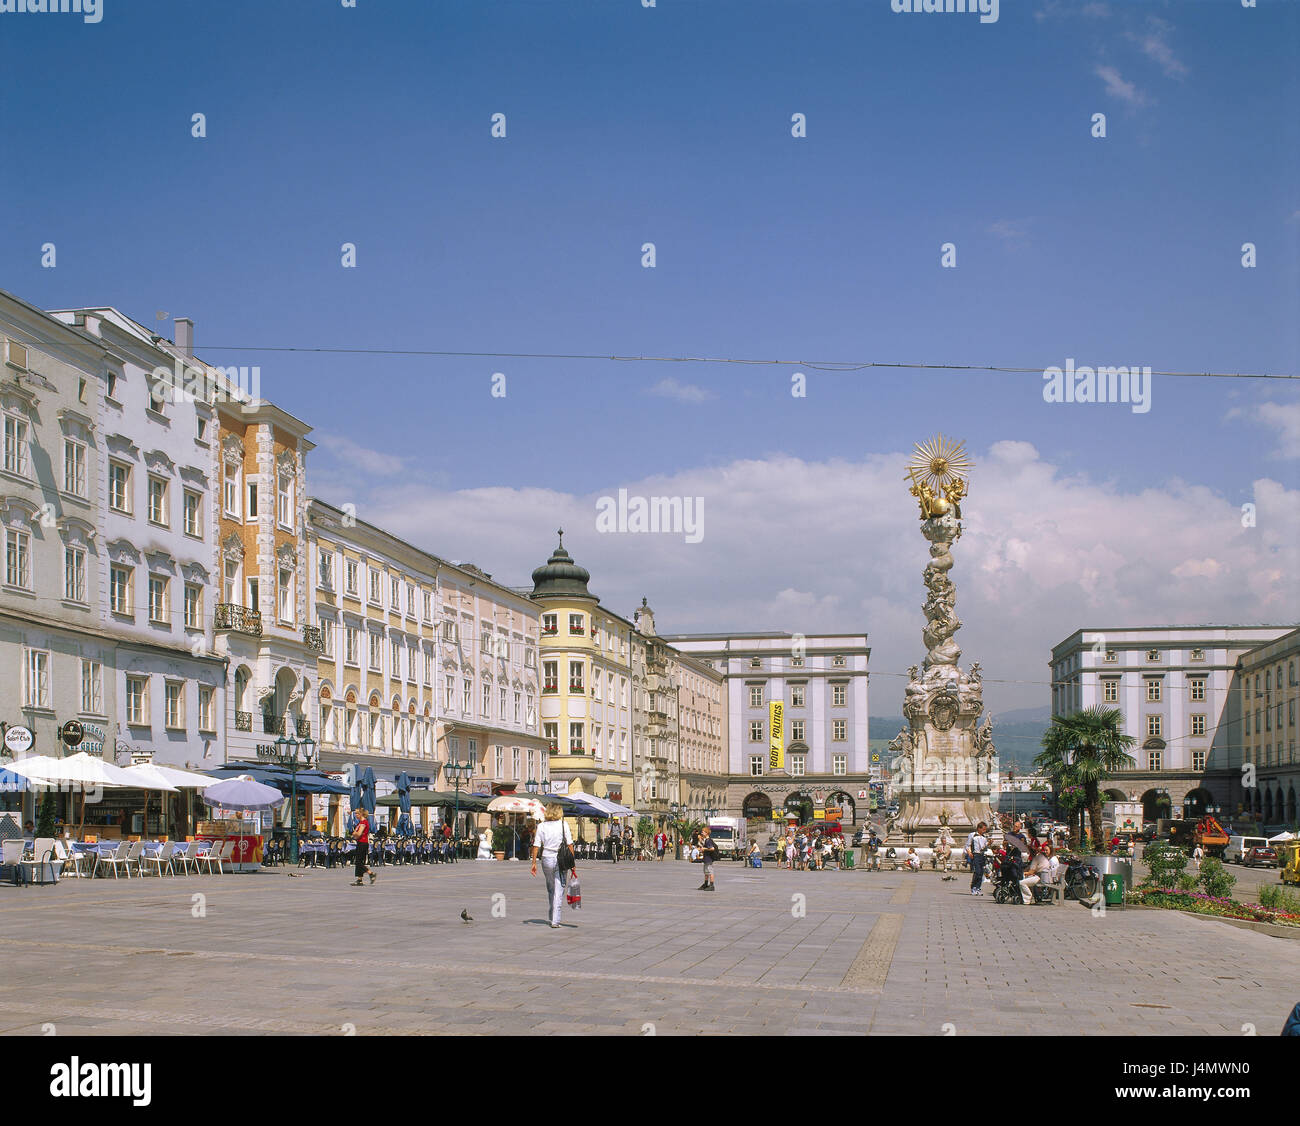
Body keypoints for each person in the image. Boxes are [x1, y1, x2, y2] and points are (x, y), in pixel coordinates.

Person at [530, 803, 574, 929]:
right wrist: (572, 863)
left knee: (551, 888)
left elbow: (536, 846)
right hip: (561, 859)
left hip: (546, 859)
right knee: (559, 889)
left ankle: (552, 914)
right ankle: (555, 920)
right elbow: (570, 844)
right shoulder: (563, 824)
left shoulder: (541, 826)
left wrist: (534, 863)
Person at [351, 809, 376, 886]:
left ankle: (371, 873)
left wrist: (355, 833)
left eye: (357, 813)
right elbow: (354, 834)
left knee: (358, 862)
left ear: (361, 814)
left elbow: (358, 834)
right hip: (360, 842)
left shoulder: (363, 823)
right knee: (359, 861)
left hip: (363, 843)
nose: (355, 815)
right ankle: (359, 879)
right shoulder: (360, 823)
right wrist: (355, 834)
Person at [697, 824, 720, 891]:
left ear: (706, 833)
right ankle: (705, 884)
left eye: (703, 832)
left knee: (710, 872)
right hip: (706, 858)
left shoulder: (708, 840)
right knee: (706, 872)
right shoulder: (706, 840)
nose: (702, 833)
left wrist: (704, 849)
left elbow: (712, 848)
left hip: (709, 859)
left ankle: (712, 885)